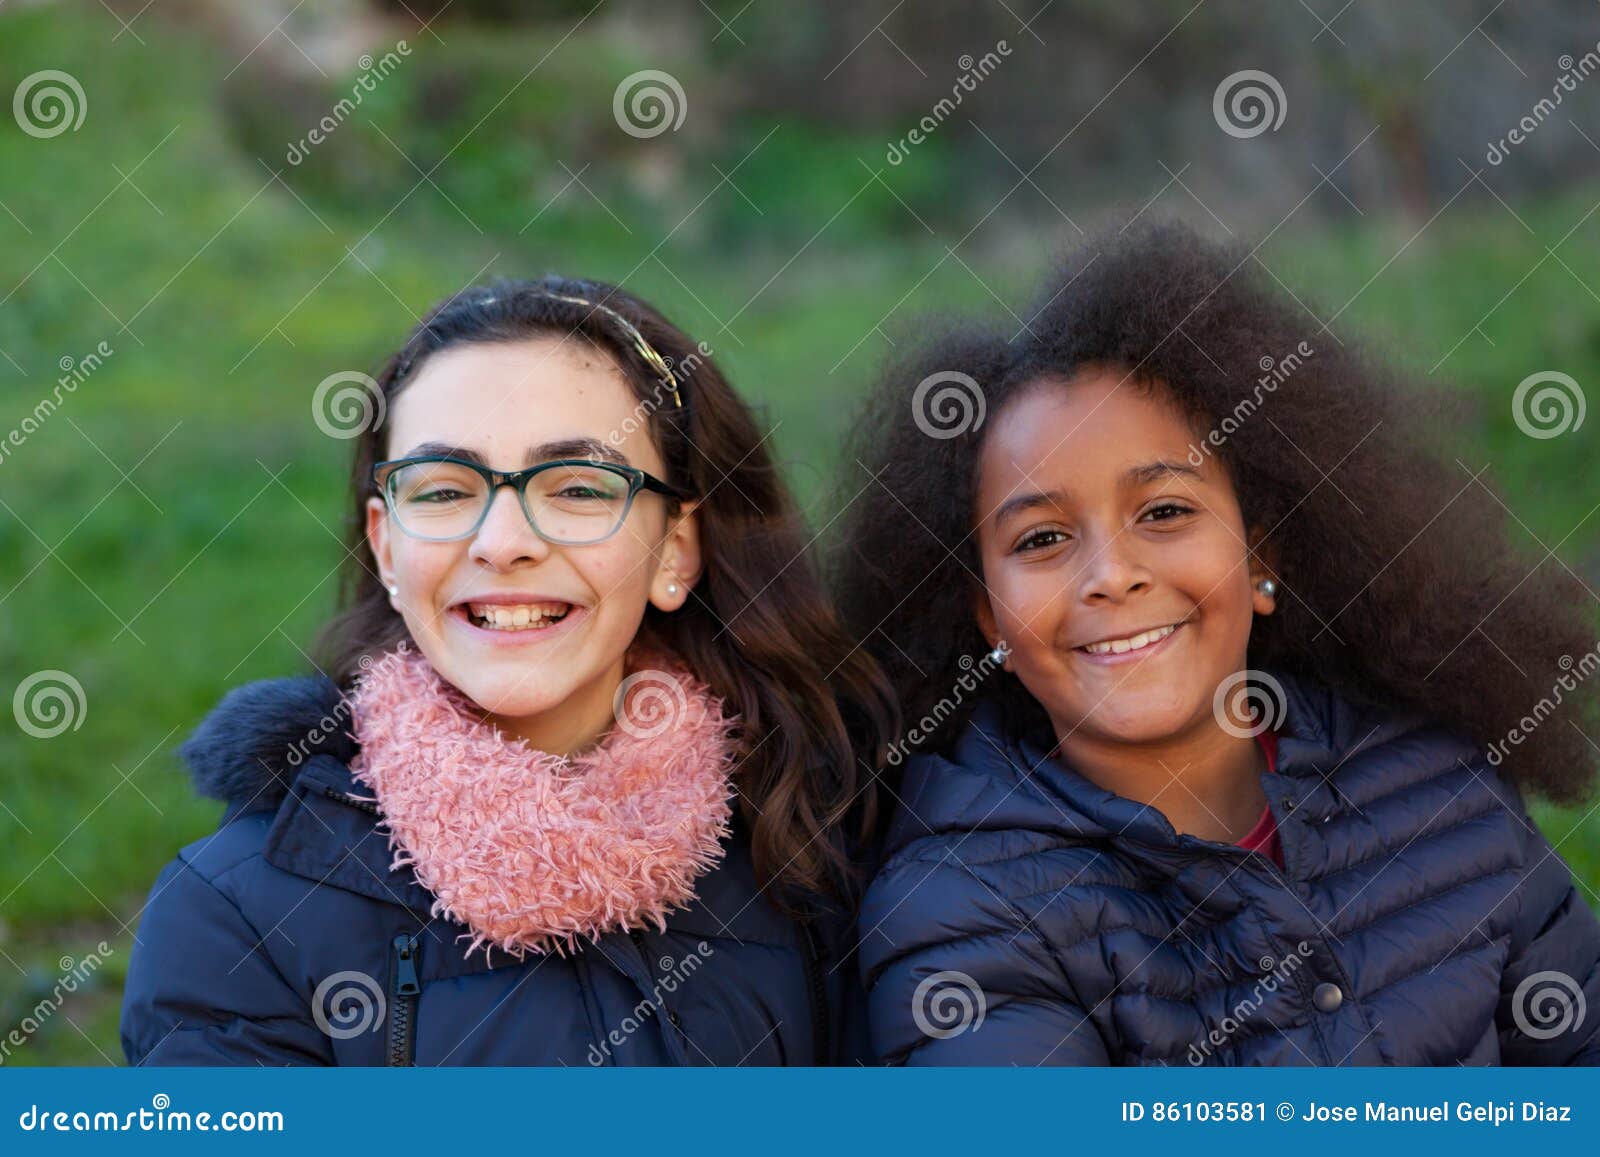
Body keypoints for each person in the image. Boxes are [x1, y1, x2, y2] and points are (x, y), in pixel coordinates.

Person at [838, 223, 1600, 1065]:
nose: (1111, 575)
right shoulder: (959, 914)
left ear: (1262, 552)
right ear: (988, 619)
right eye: (1043, 539)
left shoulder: (1435, 776)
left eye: (1163, 512)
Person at [121, 277, 894, 1065]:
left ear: (675, 549)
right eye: (447, 490)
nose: (502, 540)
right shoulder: (236, 917)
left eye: (578, 487)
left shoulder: (821, 839)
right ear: (387, 546)